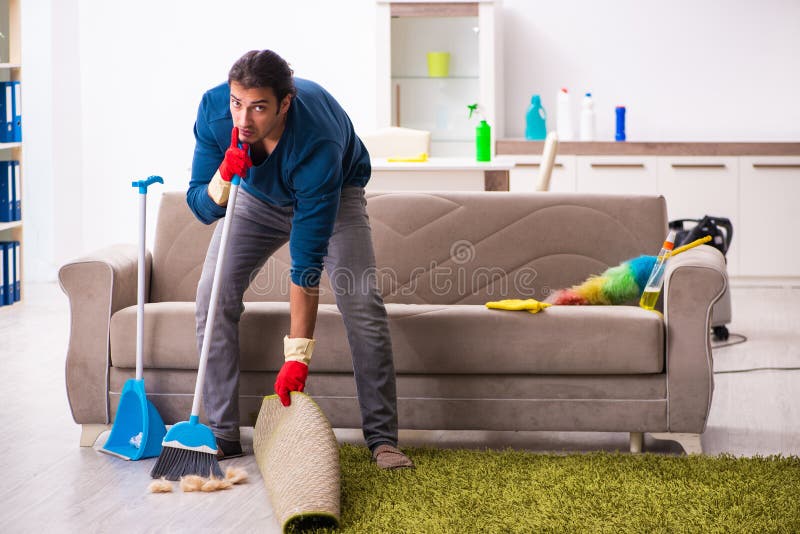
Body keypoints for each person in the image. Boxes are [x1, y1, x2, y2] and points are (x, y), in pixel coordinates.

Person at [186, 50, 413, 469]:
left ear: (284, 103)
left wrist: (297, 357)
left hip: (333, 193)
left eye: (258, 107)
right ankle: (221, 435)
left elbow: (305, 264)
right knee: (212, 295)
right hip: (254, 196)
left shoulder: (317, 141)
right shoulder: (215, 113)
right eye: (238, 103)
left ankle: (382, 439)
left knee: (361, 304)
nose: (243, 120)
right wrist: (223, 175)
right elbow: (200, 207)